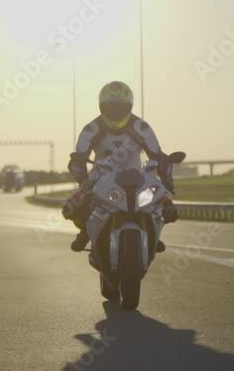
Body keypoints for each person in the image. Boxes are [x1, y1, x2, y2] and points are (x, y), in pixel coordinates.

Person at [64, 81, 178, 252]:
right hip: (101, 176)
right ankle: (85, 233)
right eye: (111, 107)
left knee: (167, 205)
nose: (115, 112)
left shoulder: (141, 127)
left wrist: (167, 183)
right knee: (70, 208)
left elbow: (158, 155)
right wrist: (82, 179)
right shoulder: (91, 129)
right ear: (102, 107)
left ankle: (153, 235)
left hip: (137, 176)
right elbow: (78, 158)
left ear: (129, 107)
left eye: (120, 107)